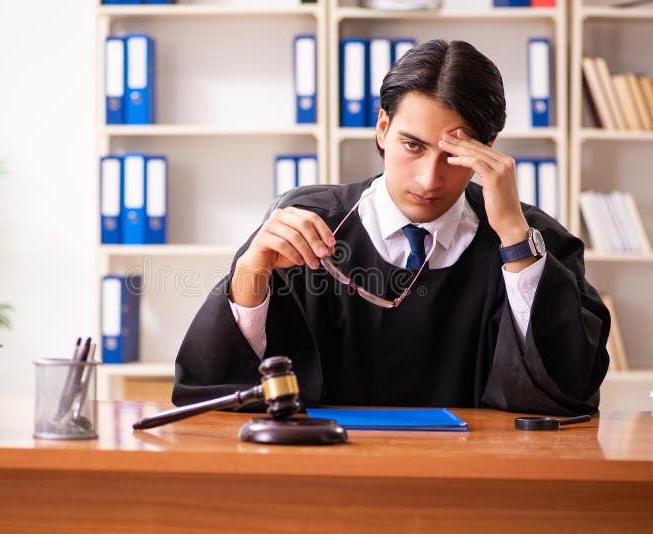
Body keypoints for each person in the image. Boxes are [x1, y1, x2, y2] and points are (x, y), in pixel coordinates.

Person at [172, 39, 610, 416]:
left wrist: (515, 240)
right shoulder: (303, 223)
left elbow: (567, 389)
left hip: (473, 483)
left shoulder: (534, 241)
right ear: (383, 128)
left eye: (452, 155)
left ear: (488, 149)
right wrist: (252, 274)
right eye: (412, 146)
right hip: (323, 473)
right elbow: (213, 388)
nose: (428, 180)